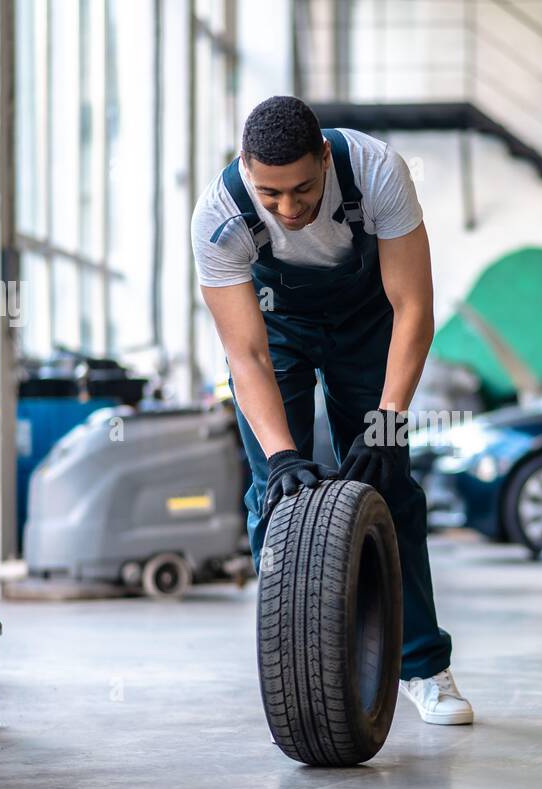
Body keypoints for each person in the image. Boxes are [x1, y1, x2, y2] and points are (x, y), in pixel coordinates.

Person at [191, 95, 473, 726]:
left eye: (302, 190)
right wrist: (285, 454)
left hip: (367, 320)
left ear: (325, 157)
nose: (288, 210)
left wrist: (389, 418)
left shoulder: (377, 172)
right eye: (271, 195)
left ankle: (422, 667)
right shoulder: (217, 217)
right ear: (245, 168)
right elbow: (247, 357)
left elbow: (414, 310)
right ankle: (292, 662)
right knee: (276, 490)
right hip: (277, 330)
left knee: (388, 480)